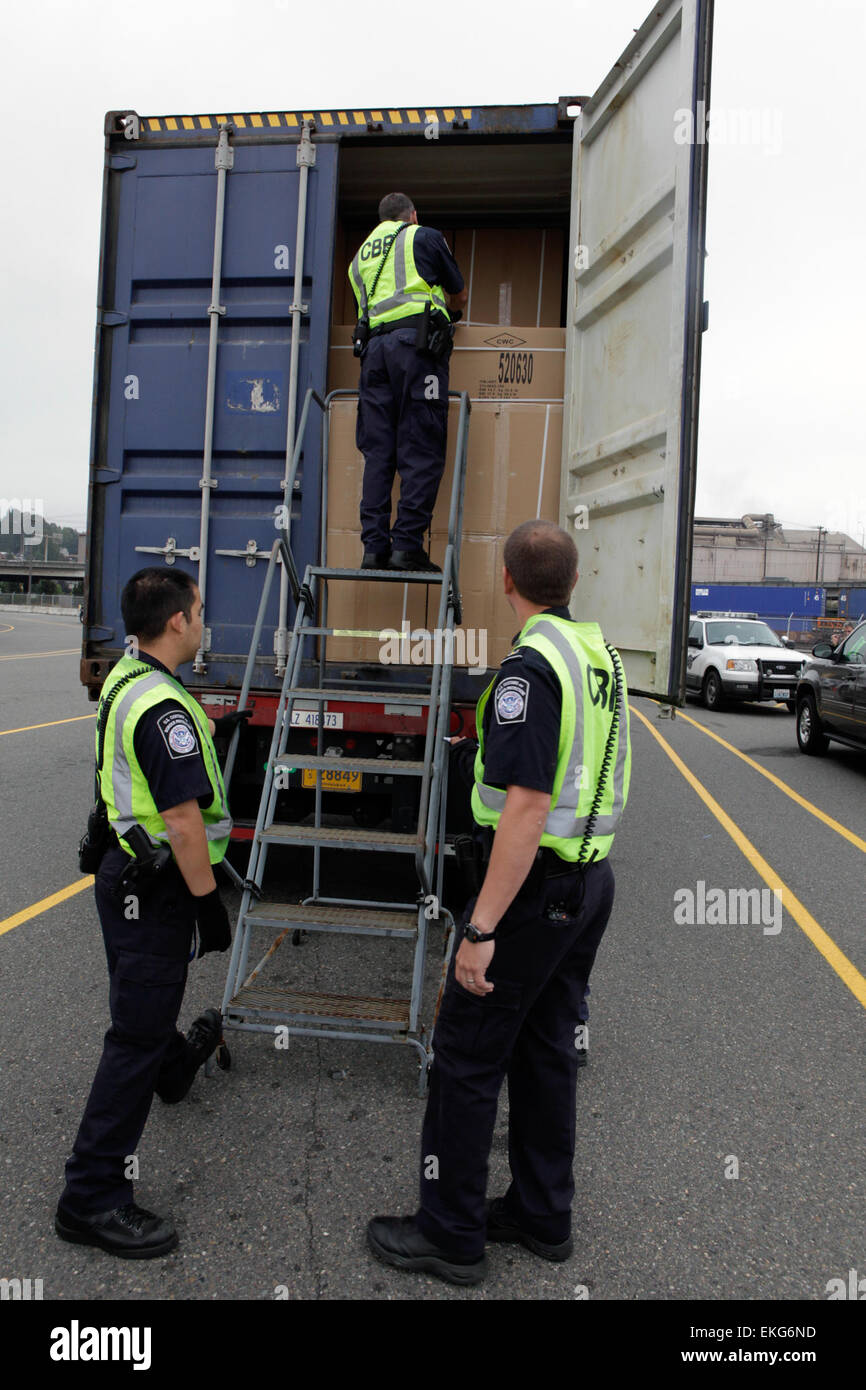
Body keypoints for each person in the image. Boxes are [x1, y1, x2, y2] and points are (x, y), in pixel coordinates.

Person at [367, 519, 632, 1285]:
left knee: (467, 1054)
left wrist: (479, 927)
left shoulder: (527, 668)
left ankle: (449, 1233)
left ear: (508, 585)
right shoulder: (599, 654)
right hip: (588, 885)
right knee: (547, 1051)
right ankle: (543, 1216)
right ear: (574, 583)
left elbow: (524, 807)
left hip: (533, 891)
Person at [56, 567, 244, 1258]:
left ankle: (174, 1068)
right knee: (133, 1036)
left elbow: (136, 769)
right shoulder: (165, 710)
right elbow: (182, 820)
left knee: (145, 1004)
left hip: (122, 876)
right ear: (177, 623)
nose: (202, 620)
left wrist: (208, 738)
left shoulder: (127, 679)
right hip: (156, 888)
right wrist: (207, 905)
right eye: (198, 610)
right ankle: (91, 1197)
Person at [348, 191, 467, 572]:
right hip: (416, 350)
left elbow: (368, 310)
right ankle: (407, 547)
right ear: (412, 215)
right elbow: (457, 290)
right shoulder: (423, 236)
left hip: (374, 356)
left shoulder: (358, 259)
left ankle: (374, 550)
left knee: (378, 452)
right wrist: (452, 315)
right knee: (422, 445)